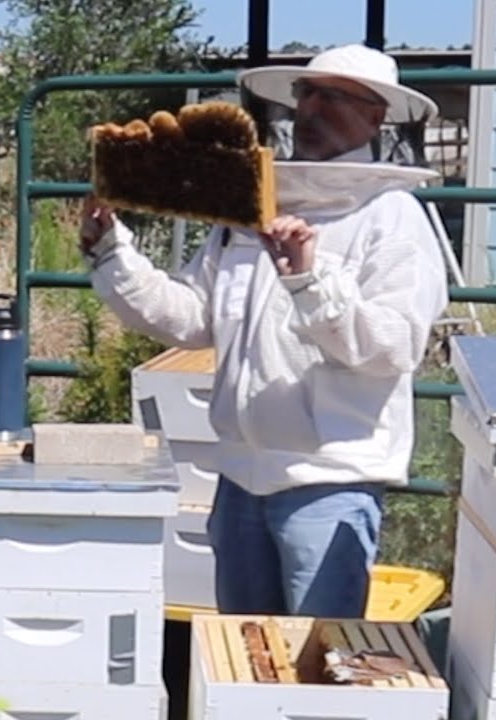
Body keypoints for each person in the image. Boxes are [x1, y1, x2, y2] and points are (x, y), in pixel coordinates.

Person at [78, 44, 449, 618]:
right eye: (308, 93)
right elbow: (193, 317)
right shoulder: (251, 210)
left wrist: (311, 281)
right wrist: (111, 249)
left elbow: (393, 347)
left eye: (336, 97)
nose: (312, 108)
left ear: (376, 117)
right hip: (240, 481)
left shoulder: (391, 217)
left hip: (330, 484)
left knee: (312, 671)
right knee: (246, 665)